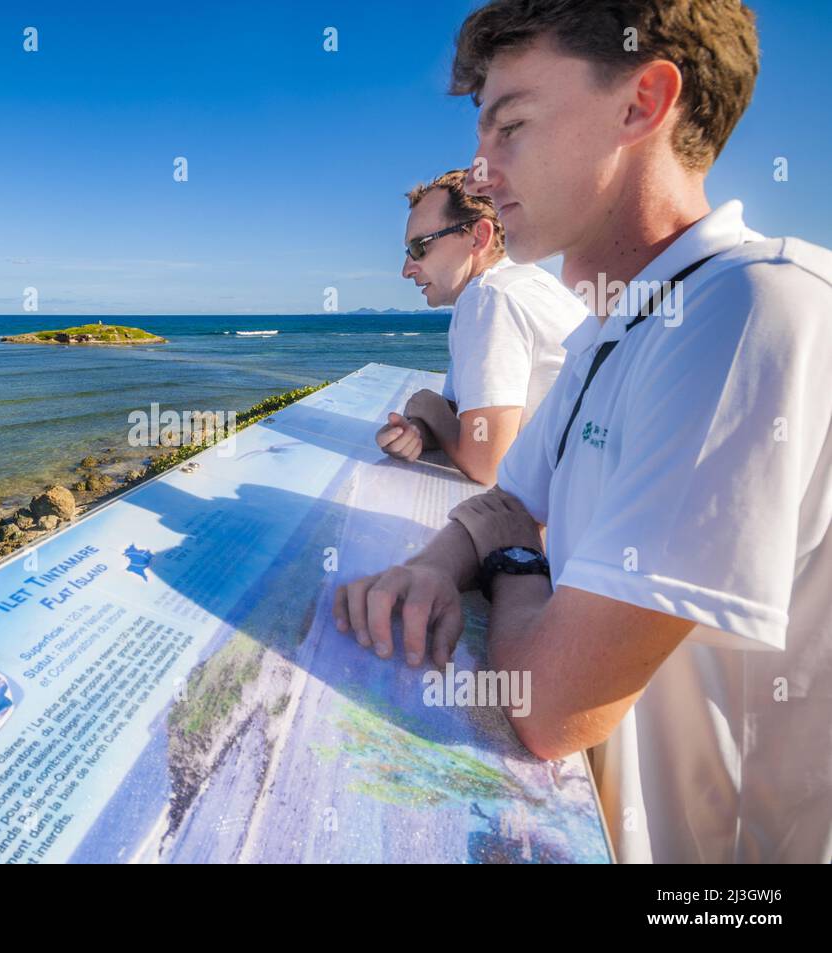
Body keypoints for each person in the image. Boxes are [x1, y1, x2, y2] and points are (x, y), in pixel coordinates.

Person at [337, 0, 832, 863]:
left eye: (513, 126)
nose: (482, 174)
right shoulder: (612, 330)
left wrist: (514, 561)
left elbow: (552, 704)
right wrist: (429, 569)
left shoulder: (751, 309)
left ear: (643, 102)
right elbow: (506, 500)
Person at [378, 169, 585, 485]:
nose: (407, 269)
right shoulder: (526, 284)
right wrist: (418, 431)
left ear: (478, 237)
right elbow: (466, 421)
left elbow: (489, 464)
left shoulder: (490, 296)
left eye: (419, 247)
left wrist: (425, 404)